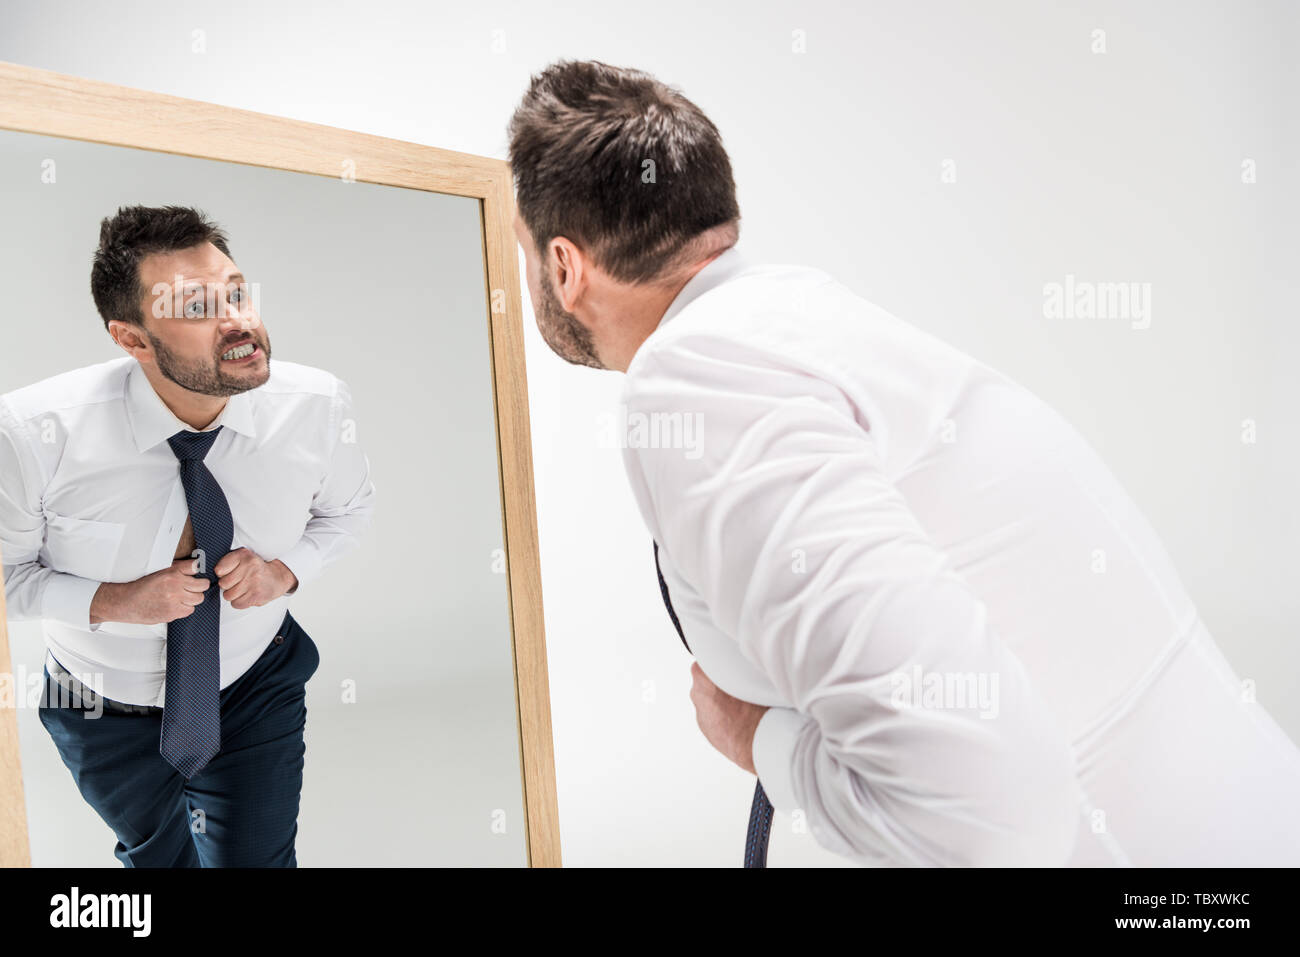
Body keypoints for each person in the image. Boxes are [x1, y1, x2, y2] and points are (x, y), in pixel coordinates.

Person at [506, 59, 1300, 866]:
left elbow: (990, 821)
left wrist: (764, 745)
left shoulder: (693, 379)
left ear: (564, 268)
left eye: (526, 254)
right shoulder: (799, 321)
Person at [0, 205, 376, 867]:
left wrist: (284, 572)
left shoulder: (316, 408)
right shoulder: (34, 435)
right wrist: (116, 601)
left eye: (236, 290)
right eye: (197, 306)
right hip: (95, 703)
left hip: (253, 681)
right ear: (133, 339)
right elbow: (8, 578)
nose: (237, 320)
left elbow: (347, 512)